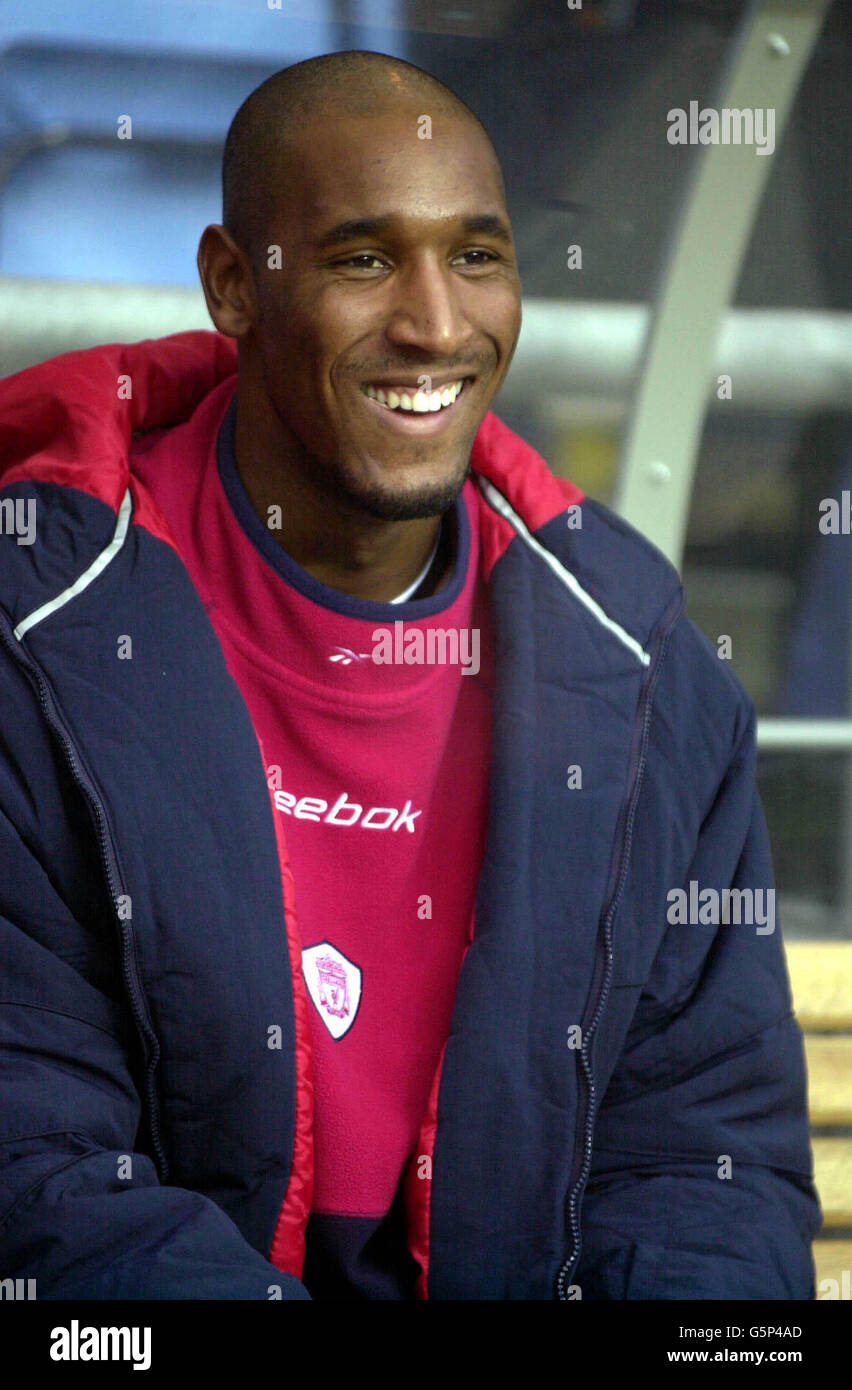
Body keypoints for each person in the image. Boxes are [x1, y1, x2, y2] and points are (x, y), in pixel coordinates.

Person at [0, 50, 820, 1300]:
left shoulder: (642, 668)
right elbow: (38, 1183)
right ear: (235, 284)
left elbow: (703, 1165)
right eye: (364, 258)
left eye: (478, 256)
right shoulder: (38, 636)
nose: (438, 325)